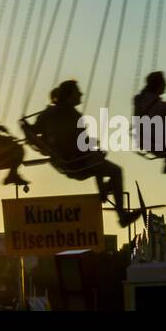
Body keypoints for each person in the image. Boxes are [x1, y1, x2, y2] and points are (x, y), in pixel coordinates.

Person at [28, 81, 140, 227]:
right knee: (115, 170)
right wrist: (95, 147)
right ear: (69, 96)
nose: (81, 94)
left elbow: (33, 131)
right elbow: (85, 148)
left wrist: (28, 130)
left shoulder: (47, 114)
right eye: (77, 92)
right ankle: (120, 213)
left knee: (97, 156)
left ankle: (105, 191)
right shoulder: (74, 116)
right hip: (78, 162)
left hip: (63, 162)